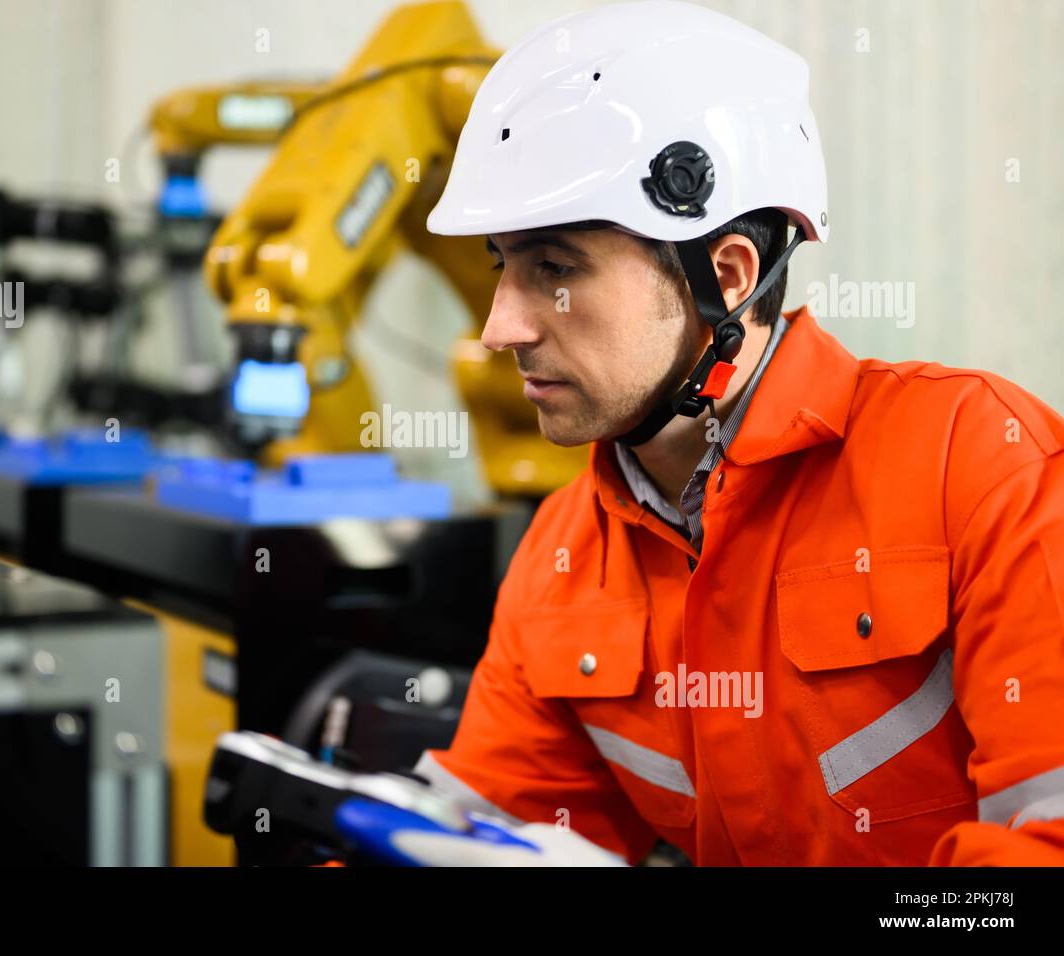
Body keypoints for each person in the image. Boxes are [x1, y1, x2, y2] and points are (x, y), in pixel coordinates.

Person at [404, 0, 1064, 865]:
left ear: (725, 276)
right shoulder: (563, 558)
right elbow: (483, 839)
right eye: (504, 267)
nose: (500, 327)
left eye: (554, 268)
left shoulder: (978, 464)